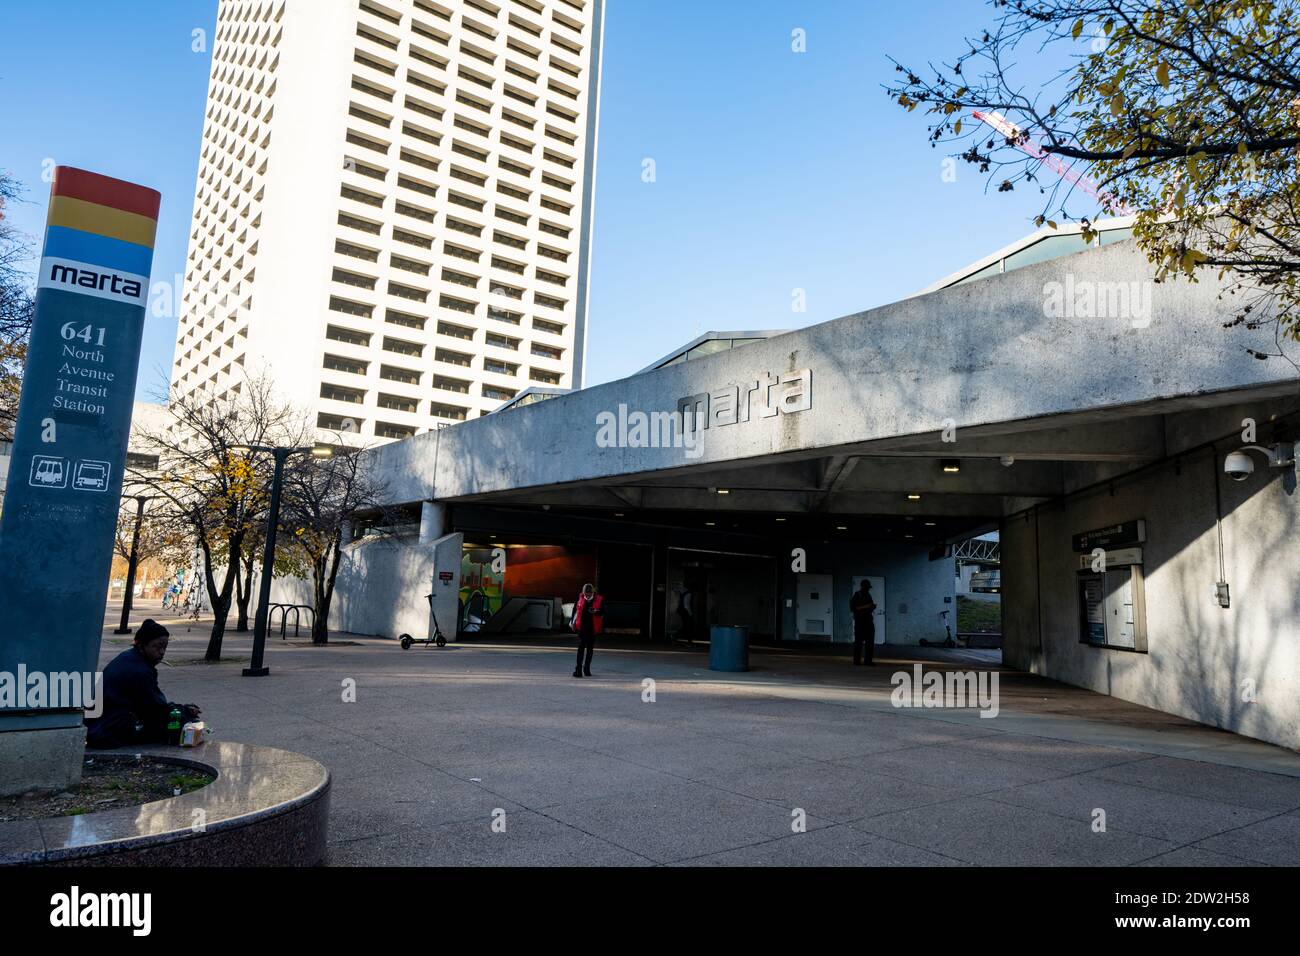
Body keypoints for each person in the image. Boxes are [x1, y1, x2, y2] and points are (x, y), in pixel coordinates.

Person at [86, 620, 202, 748]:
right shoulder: (140, 670)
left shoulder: (129, 657)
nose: (162, 652)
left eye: (164, 647)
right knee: (181, 724)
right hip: (108, 731)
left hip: (99, 727)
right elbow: (156, 708)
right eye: (157, 647)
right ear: (142, 645)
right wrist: (185, 711)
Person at [571, 582, 603, 678]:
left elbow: (603, 612)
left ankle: (587, 668)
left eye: (588, 594)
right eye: (585, 594)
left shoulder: (599, 599)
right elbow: (575, 611)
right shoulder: (580, 598)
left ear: (592, 592)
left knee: (590, 649)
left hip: (593, 629)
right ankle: (578, 670)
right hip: (582, 628)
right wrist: (572, 623)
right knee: (580, 648)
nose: (587, 596)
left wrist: (596, 611)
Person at [849, 579, 877, 666]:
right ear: (862, 587)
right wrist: (866, 606)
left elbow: (870, 606)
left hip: (868, 621)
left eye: (868, 588)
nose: (868, 589)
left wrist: (872, 607)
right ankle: (857, 661)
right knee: (858, 642)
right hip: (860, 622)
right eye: (866, 588)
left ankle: (868, 661)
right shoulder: (857, 595)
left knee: (870, 642)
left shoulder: (868, 595)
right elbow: (853, 608)